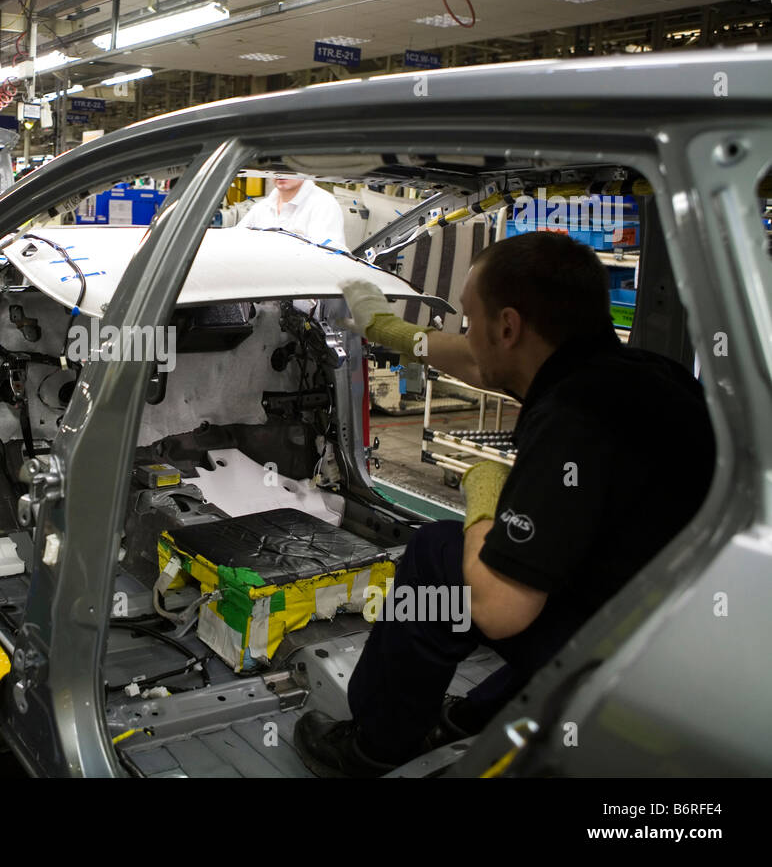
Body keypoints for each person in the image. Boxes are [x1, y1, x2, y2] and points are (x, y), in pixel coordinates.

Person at [295, 231, 715, 776]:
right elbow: (481, 362)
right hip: (683, 634)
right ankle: (472, 719)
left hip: (629, 664)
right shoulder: (645, 375)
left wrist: (484, 498)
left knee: (436, 555)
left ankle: (375, 746)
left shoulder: (573, 418)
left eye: (470, 320)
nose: (467, 335)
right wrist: (391, 332)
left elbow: (499, 612)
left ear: (509, 326)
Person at [238, 175, 348, 248]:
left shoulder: (323, 203)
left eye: (288, 165)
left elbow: (328, 256)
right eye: (276, 164)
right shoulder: (263, 207)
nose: (281, 172)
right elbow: (236, 239)